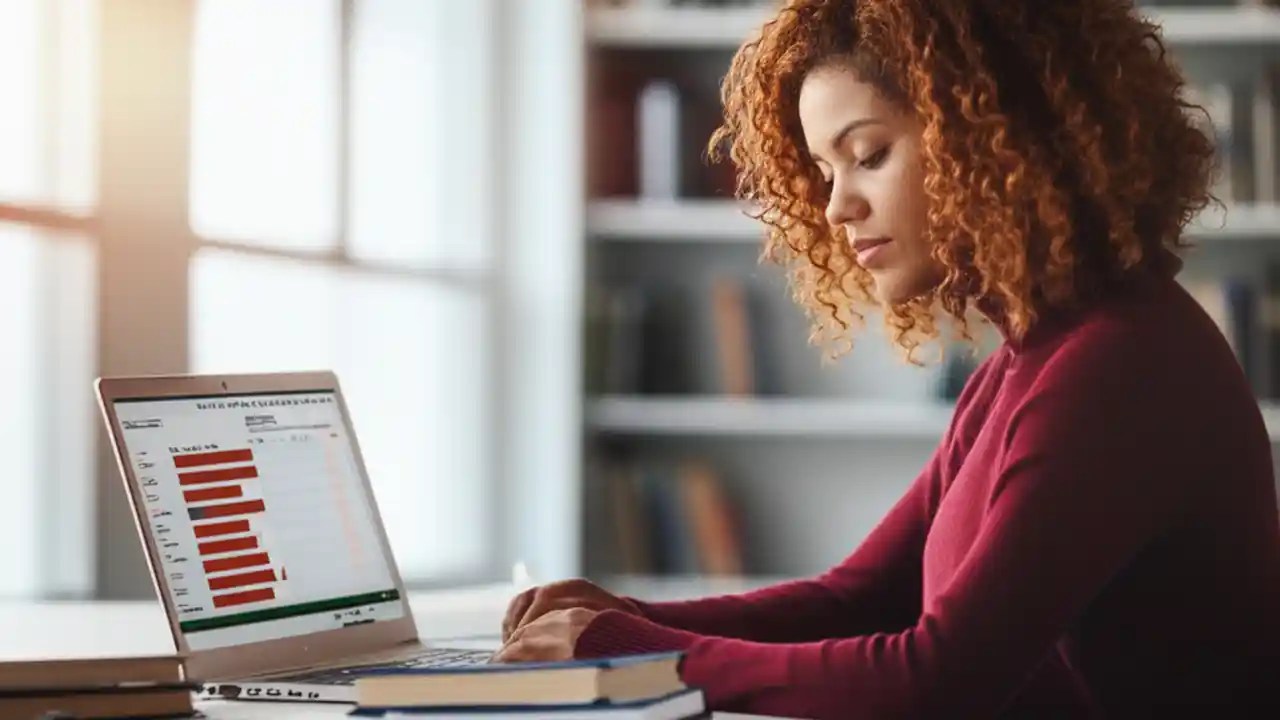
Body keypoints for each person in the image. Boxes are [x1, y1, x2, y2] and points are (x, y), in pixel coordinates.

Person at [496, 0, 1280, 717]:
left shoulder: (1120, 367)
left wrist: (621, 656)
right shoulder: (1025, 362)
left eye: (868, 154)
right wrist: (622, 617)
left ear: (997, 137)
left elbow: (936, 676)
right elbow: (865, 597)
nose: (837, 206)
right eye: (825, 170)